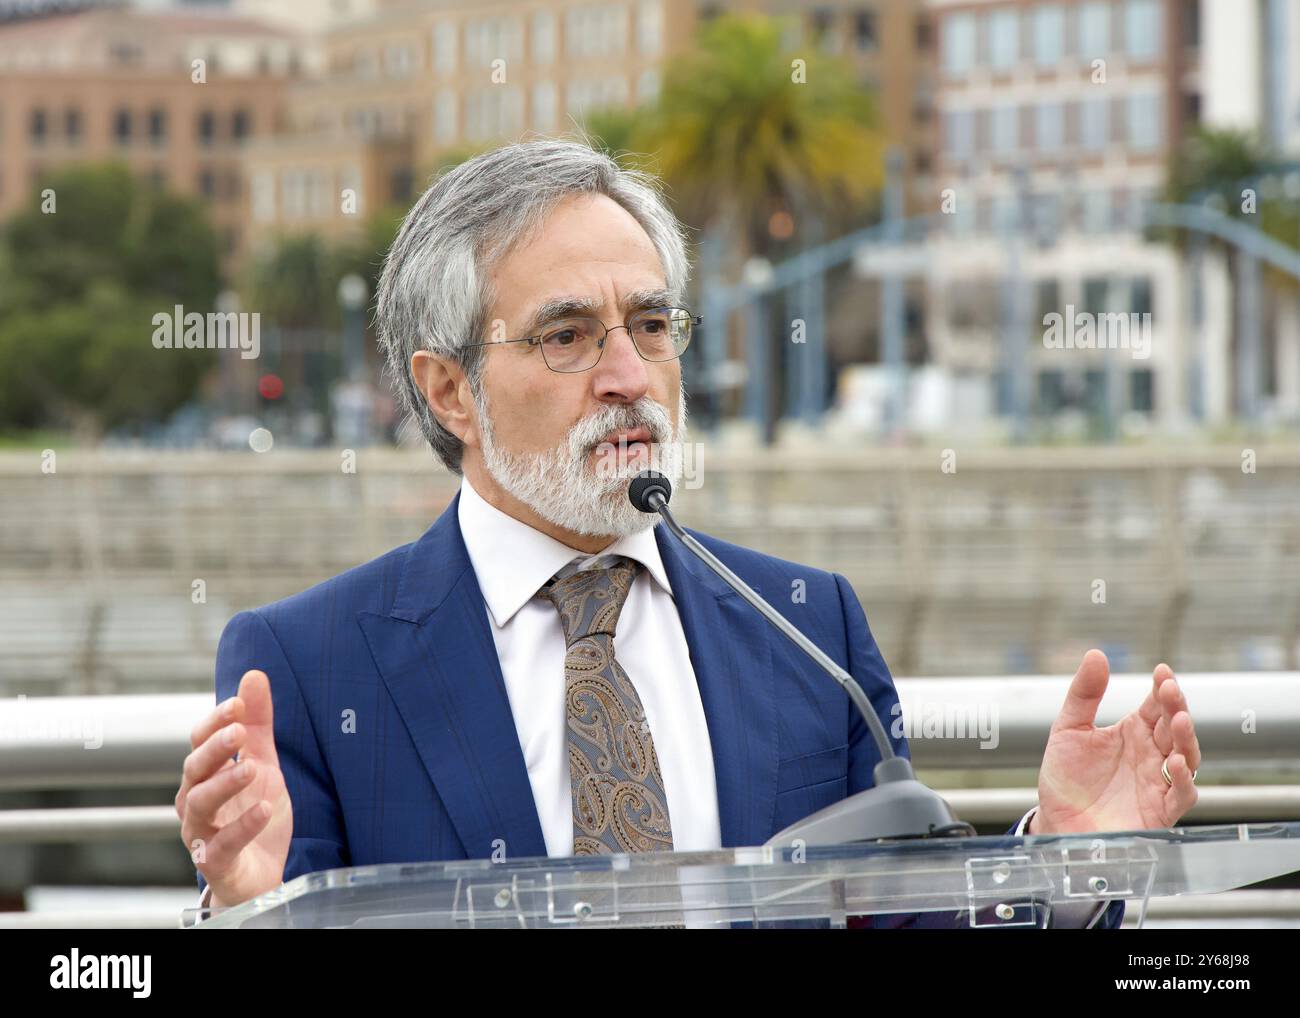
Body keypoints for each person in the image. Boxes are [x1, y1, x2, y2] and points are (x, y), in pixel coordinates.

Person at [176, 138, 1201, 927]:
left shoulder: (808, 631)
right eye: (568, 335)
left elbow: (907, 921)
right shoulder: (311, 666)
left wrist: (1064, 862)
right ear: (449, 389)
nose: (628, 375)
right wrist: (248, 902)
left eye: (652, 326)